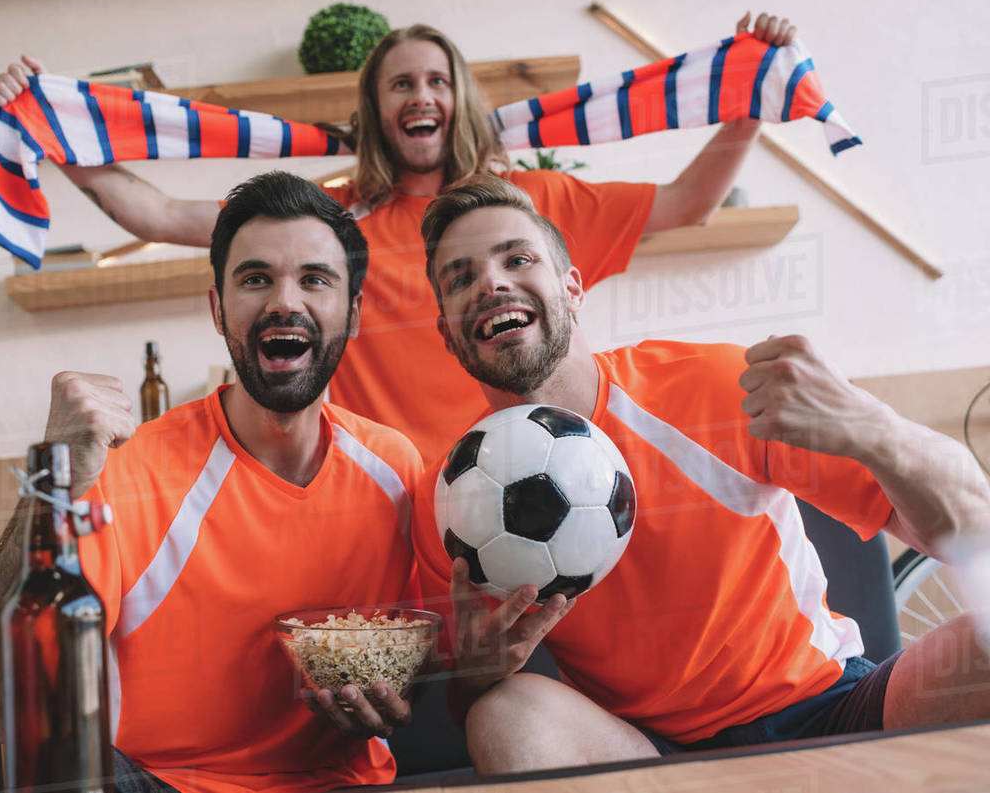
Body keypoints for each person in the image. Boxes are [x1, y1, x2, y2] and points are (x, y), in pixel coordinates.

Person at [0, 13, 798, 464]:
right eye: (400, 83)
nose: (422, 95)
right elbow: (159, 215)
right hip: (392, 500)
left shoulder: (531, 206)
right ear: (376, 110)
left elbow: (690, 200)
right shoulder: (328, 223)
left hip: (542, 480)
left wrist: (752, 100)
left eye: (438, 80)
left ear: (460, 101)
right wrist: (49, 129)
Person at [410, 174, 990, 772]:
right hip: (657, 761)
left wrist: (874, 427)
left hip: (832, 711)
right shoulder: (451, 501)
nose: (492, 283)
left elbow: (977, 528)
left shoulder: (721, 386)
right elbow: (465, 702)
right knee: (504, 716)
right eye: (461, 277)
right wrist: (477, 675)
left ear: (573, 288)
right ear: (447, 334)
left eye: (517, 258)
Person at [0, 172, 425, 793]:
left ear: (354, 313)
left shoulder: (396, 470)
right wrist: (52, 477)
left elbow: (431, 666)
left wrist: (406, 699)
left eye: (315, 279)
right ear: (217, 309)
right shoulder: (125, 471)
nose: (285, 301)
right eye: (256, 278)